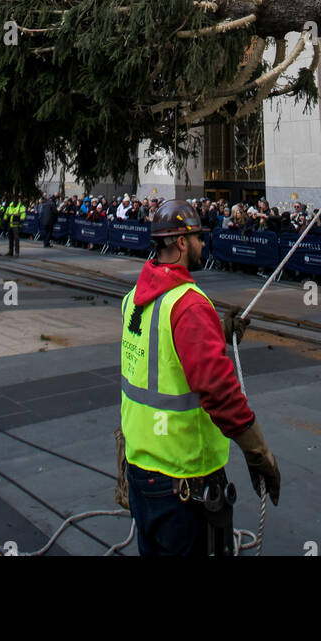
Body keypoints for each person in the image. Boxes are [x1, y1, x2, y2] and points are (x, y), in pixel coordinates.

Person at [119, 200, 280, 557]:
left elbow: (162, 354)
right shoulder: (189, 305)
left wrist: (215, 333)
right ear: (180, 242)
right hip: (183, 478)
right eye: (197, 237)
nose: (203, 244)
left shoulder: (134, 299)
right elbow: (219, 391)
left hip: (141, 469)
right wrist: (259, 453)